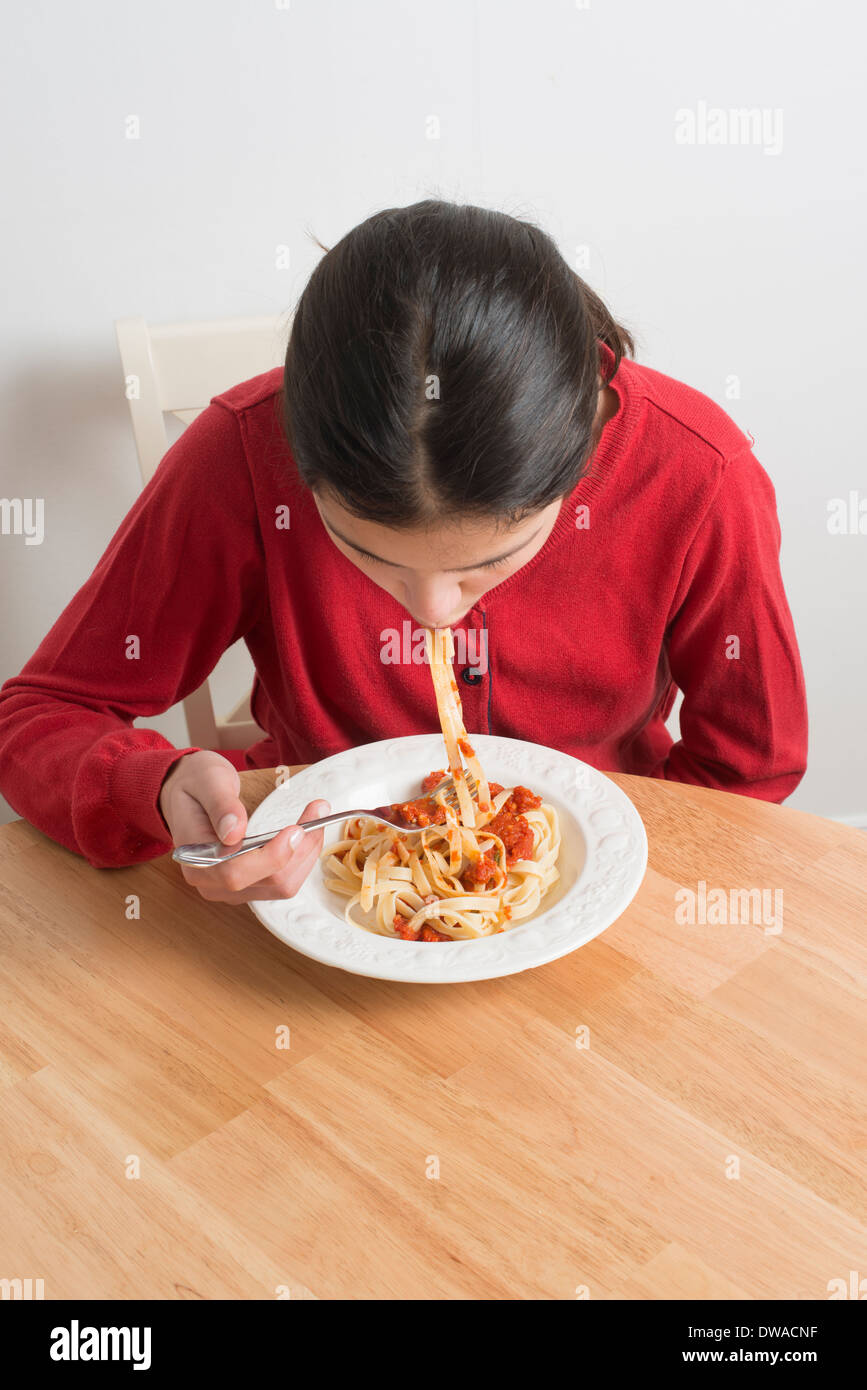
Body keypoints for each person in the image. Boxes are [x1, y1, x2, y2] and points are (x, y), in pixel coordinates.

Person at [0, 200, 808, 905]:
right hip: (308, 891)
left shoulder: (699, 473)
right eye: (367, 552)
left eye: (490, 560)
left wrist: (611, 875)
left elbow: (749, 767)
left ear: (581, 457)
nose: (432, 613)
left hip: (607, 886)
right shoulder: (241, 456)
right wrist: (159, 784)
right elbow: (37, 718)